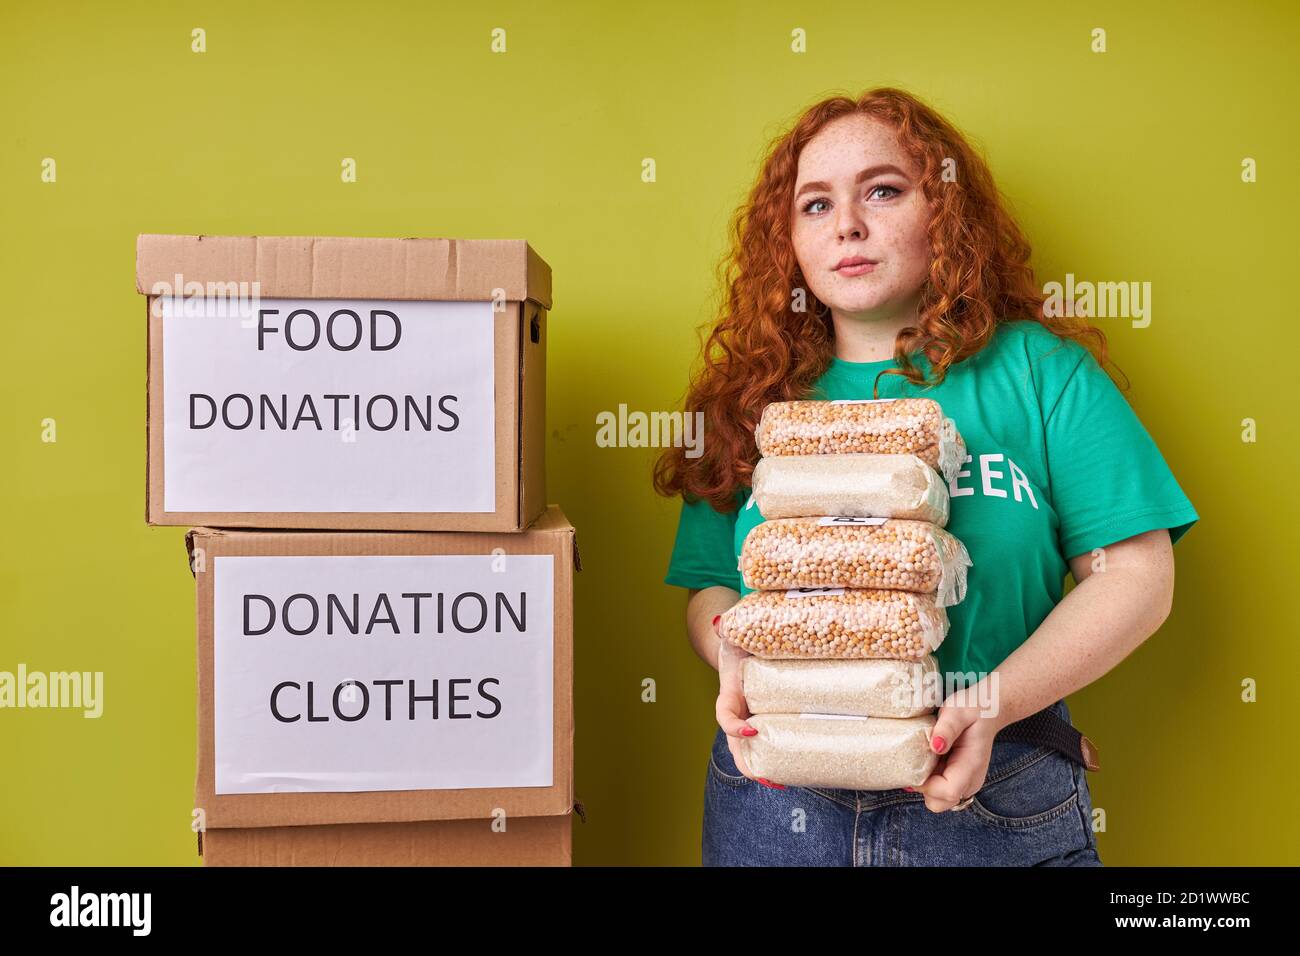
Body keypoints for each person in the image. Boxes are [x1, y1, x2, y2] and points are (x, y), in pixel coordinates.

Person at [654, 88, 1199, 866]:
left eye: (883, 190)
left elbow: (1136, 575)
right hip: (777, 796)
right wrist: (735, 655)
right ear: (790, 243)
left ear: (944, 210)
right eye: (815, 205)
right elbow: (712, 587)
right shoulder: (753, 401)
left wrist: (988, 705)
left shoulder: (1041, 373)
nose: (847, 224)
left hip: (995, 787)